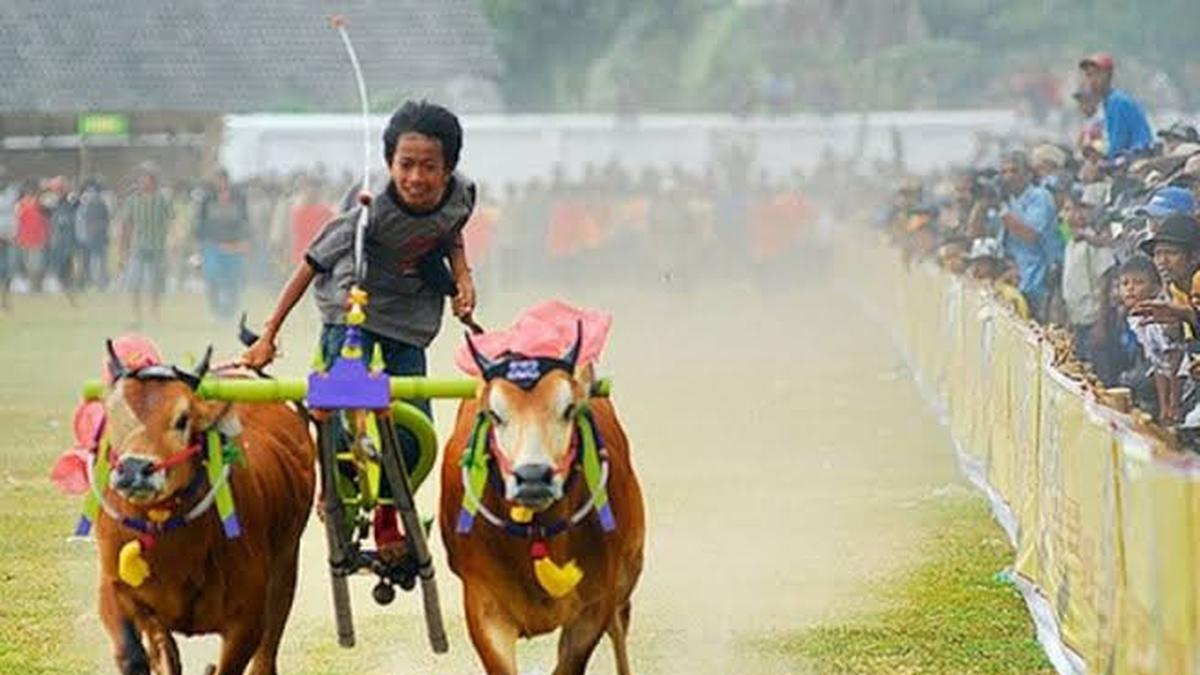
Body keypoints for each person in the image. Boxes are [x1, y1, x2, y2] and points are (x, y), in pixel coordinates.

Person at [239, 100, 478, 558]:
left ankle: (390, 512)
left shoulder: (463, 195)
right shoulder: (370, 211)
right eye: (405, 165)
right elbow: (310, 264)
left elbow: (451, 230)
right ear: (389, 164)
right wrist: (268, 334)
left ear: (449, 169)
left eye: (429, 167)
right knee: (337, 407)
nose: (416, 178)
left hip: (409, 322)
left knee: (414, 431)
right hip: (352, 313)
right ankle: (335, 483)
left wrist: (463, 278)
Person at [997, 151, 1062, 321]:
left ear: (1028, 174)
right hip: (1015, 283)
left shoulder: (1040, 197)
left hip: (1040, 283)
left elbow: (1030, 234)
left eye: (1014, 171)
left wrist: (1001, 212)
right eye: (1004, 172)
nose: (1008, 176)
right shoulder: (1007, 201)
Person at [117, 165, 174, 324]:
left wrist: (172, 243)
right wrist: (123, 250)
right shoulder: (133, 201)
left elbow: (171, 222)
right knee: (134, 282)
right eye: (142, 178)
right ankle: (136, 316)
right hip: (138, 247)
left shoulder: (162, 200)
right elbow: (126, 226)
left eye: (147, 178)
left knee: (155, 283)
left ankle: (155, 313)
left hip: (157, 247)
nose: (144, 182)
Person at [194, 169, 250, 319]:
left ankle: (230, 311)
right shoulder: (207, 199)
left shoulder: (239, 198)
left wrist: (245, 242)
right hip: (212, 245)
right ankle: (216, 309)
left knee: (234, 279)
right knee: (213, 277)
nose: (221, 183)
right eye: (218, 180)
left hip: (234, 245)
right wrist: (199, 246)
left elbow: (245, 222)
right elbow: (200, 224)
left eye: (223, 180)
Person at [1079, 53, 1153, 158]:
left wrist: (1101, 162)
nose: (1091, 81)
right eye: (1088, 76)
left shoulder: (1117, 102)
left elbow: (1117, 146)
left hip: (1138, 158)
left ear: (1107, 75)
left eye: (1095, 75)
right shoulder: (1107, 102)